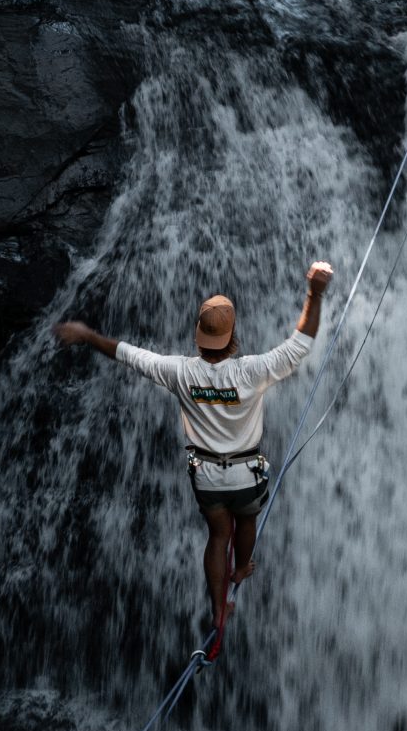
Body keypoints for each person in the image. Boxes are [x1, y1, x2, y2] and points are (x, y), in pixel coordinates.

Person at [54, 261, 330, 646]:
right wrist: (314, 293)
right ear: (232, 337)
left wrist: (85, 335)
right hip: (245, 473)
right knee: (246, 521)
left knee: (218, 535)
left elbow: (127, 353)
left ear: (199, 336)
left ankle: (219, 608)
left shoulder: (179, 372)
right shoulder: (253, 371)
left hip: (205, 476)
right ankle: (241, 569)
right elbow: (301, 341)